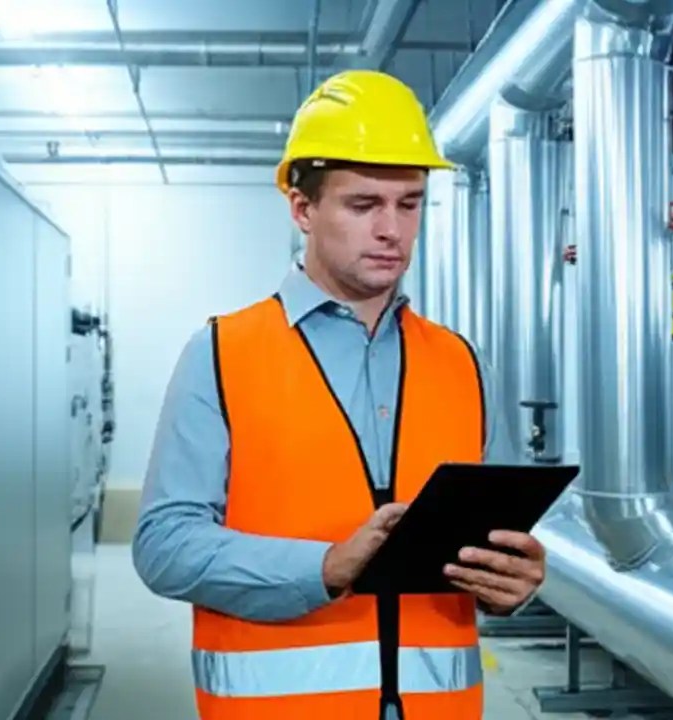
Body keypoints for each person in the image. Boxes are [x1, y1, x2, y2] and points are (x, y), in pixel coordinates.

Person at [131, 69, 547, 720]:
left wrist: (509, 583)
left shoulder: (463, 364)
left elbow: (494, 543)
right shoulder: (221, 353)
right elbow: (163, 545)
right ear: (303, 208)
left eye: (409, 204)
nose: (392, 230)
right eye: (364, 205)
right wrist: (323, 566)